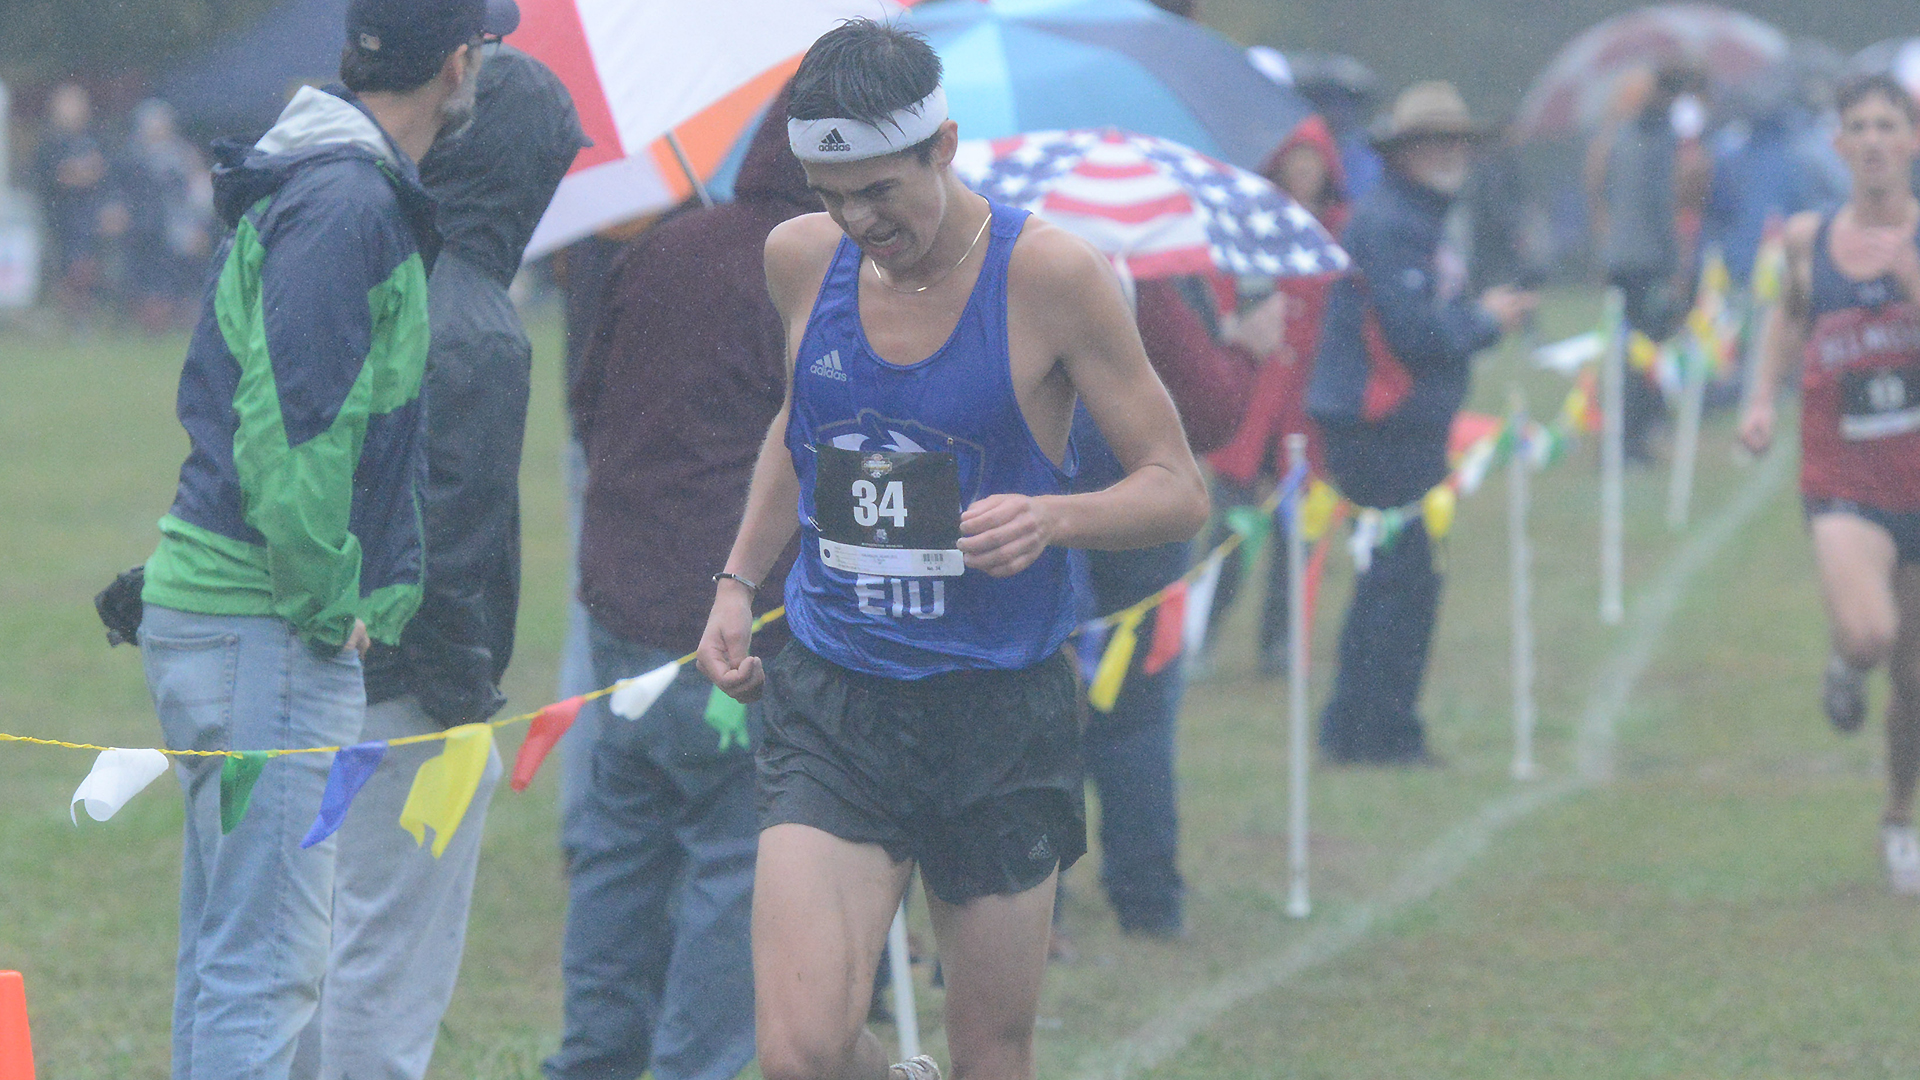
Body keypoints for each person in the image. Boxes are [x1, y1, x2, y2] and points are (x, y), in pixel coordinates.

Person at [695, 20, 1208, 1080]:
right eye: (829, 191)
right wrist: (740, 578)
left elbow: (1177, 487)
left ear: (945, 145)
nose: (854, 218)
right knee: (800, 1051)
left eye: (878, 189)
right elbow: (804, 433)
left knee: (990, 1051)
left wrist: (1055, 516)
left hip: (998, 708)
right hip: (837, 697)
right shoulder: (800, 260)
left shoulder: (1054, 276)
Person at [132, 0, 509, 1074]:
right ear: (459, 62)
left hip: (230, 616)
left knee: (229, 954)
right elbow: (294, 426)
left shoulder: (324, 181)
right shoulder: (349, 201)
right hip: (267, 624)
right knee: (269, 967)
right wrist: (328, 600)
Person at [293, 41, 582, 1080]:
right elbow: (448, 542)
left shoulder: (358, 258)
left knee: (312, 946)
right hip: (409, 695)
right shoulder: (475, 325)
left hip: (315, 670)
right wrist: (466, 705)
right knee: (386, 961)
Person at [545, 88, 807, 1080]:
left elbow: (587, 400)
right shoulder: (821, 272)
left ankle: (593, 1061)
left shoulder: (664, 244)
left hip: (621, 596)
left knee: (622, 851)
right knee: (731, 862)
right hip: (740, 617)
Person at [1305, 81, 1536, 766]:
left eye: (1456, 140)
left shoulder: (1418, 216)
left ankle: (1361, 729)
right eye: (1433, 142)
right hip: (1382, 428)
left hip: (1395, 425)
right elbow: (1416, 334)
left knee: (1397, 584)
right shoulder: (1391, 223)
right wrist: (1488, 319)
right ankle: (1379, 734)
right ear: (1402, 153)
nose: (1449, 153)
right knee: (1399, 587)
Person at [1738, 73, 1920, 897]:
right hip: (1845, 478)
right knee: (1871, 637)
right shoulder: (1806, 242)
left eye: (1890, 124)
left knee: (1915, 682)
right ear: (1840, 147)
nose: (1875, 139)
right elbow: (1784, 316)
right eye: (1860, 127)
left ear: (1912, 143)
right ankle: (1845, 667)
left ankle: (1898, 818)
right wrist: (1757, 402)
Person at [1206, 113, 1350, 674]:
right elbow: (1224, 291)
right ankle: (1203, 629)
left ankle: (1280, 642)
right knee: (1231, 529)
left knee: (1298, 533)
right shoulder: (1250, 223)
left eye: (1312, 160)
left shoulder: (1341, 230)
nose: (1303, 171)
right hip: (1254, 404)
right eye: (1294, 159)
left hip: (1308, 408)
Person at [1595, 63, 1710, 463]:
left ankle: (1621, 437)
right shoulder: (1661, 139)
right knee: (1646, 354)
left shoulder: (1623, 133)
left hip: (1620, 257)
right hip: (1650, 261)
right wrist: (1677, 264)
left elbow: (1603, 188)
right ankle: (1633, 442)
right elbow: (1663, 206)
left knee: (1626, 351)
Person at [111, 100, 214, 333]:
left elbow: (197, 193)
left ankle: (175, 321)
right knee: (141, 279)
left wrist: (198, 226)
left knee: (175, 280)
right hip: (140, 230)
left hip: (174, 231)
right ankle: (146, 324)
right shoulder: (130, 156)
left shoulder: (183, 156)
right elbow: (119, 191)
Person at [33, 83, 110, 327]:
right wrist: (79, 174)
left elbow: (103, 172)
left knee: (88, 268)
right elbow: (57, 177)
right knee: (69, 269)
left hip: (90, 218)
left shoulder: (93, 139)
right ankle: (68, 318)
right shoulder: (49, 143)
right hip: (60, 219)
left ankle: (83, 318)